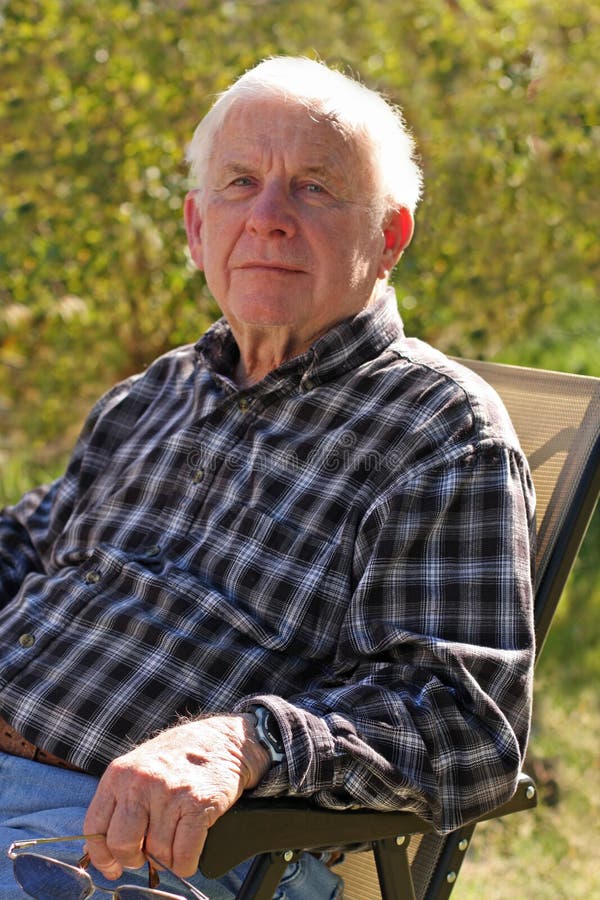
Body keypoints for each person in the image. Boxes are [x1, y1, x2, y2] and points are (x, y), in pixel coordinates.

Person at [0, 56, 535, 898]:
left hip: (149, 846)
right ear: (195, 227)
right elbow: (28, 543)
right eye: (240, 183)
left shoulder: (440, 434)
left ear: (390, 236)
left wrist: (240, 744)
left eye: (315, 188)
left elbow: (466, 725)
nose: (269, 218)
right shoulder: (159, 391)